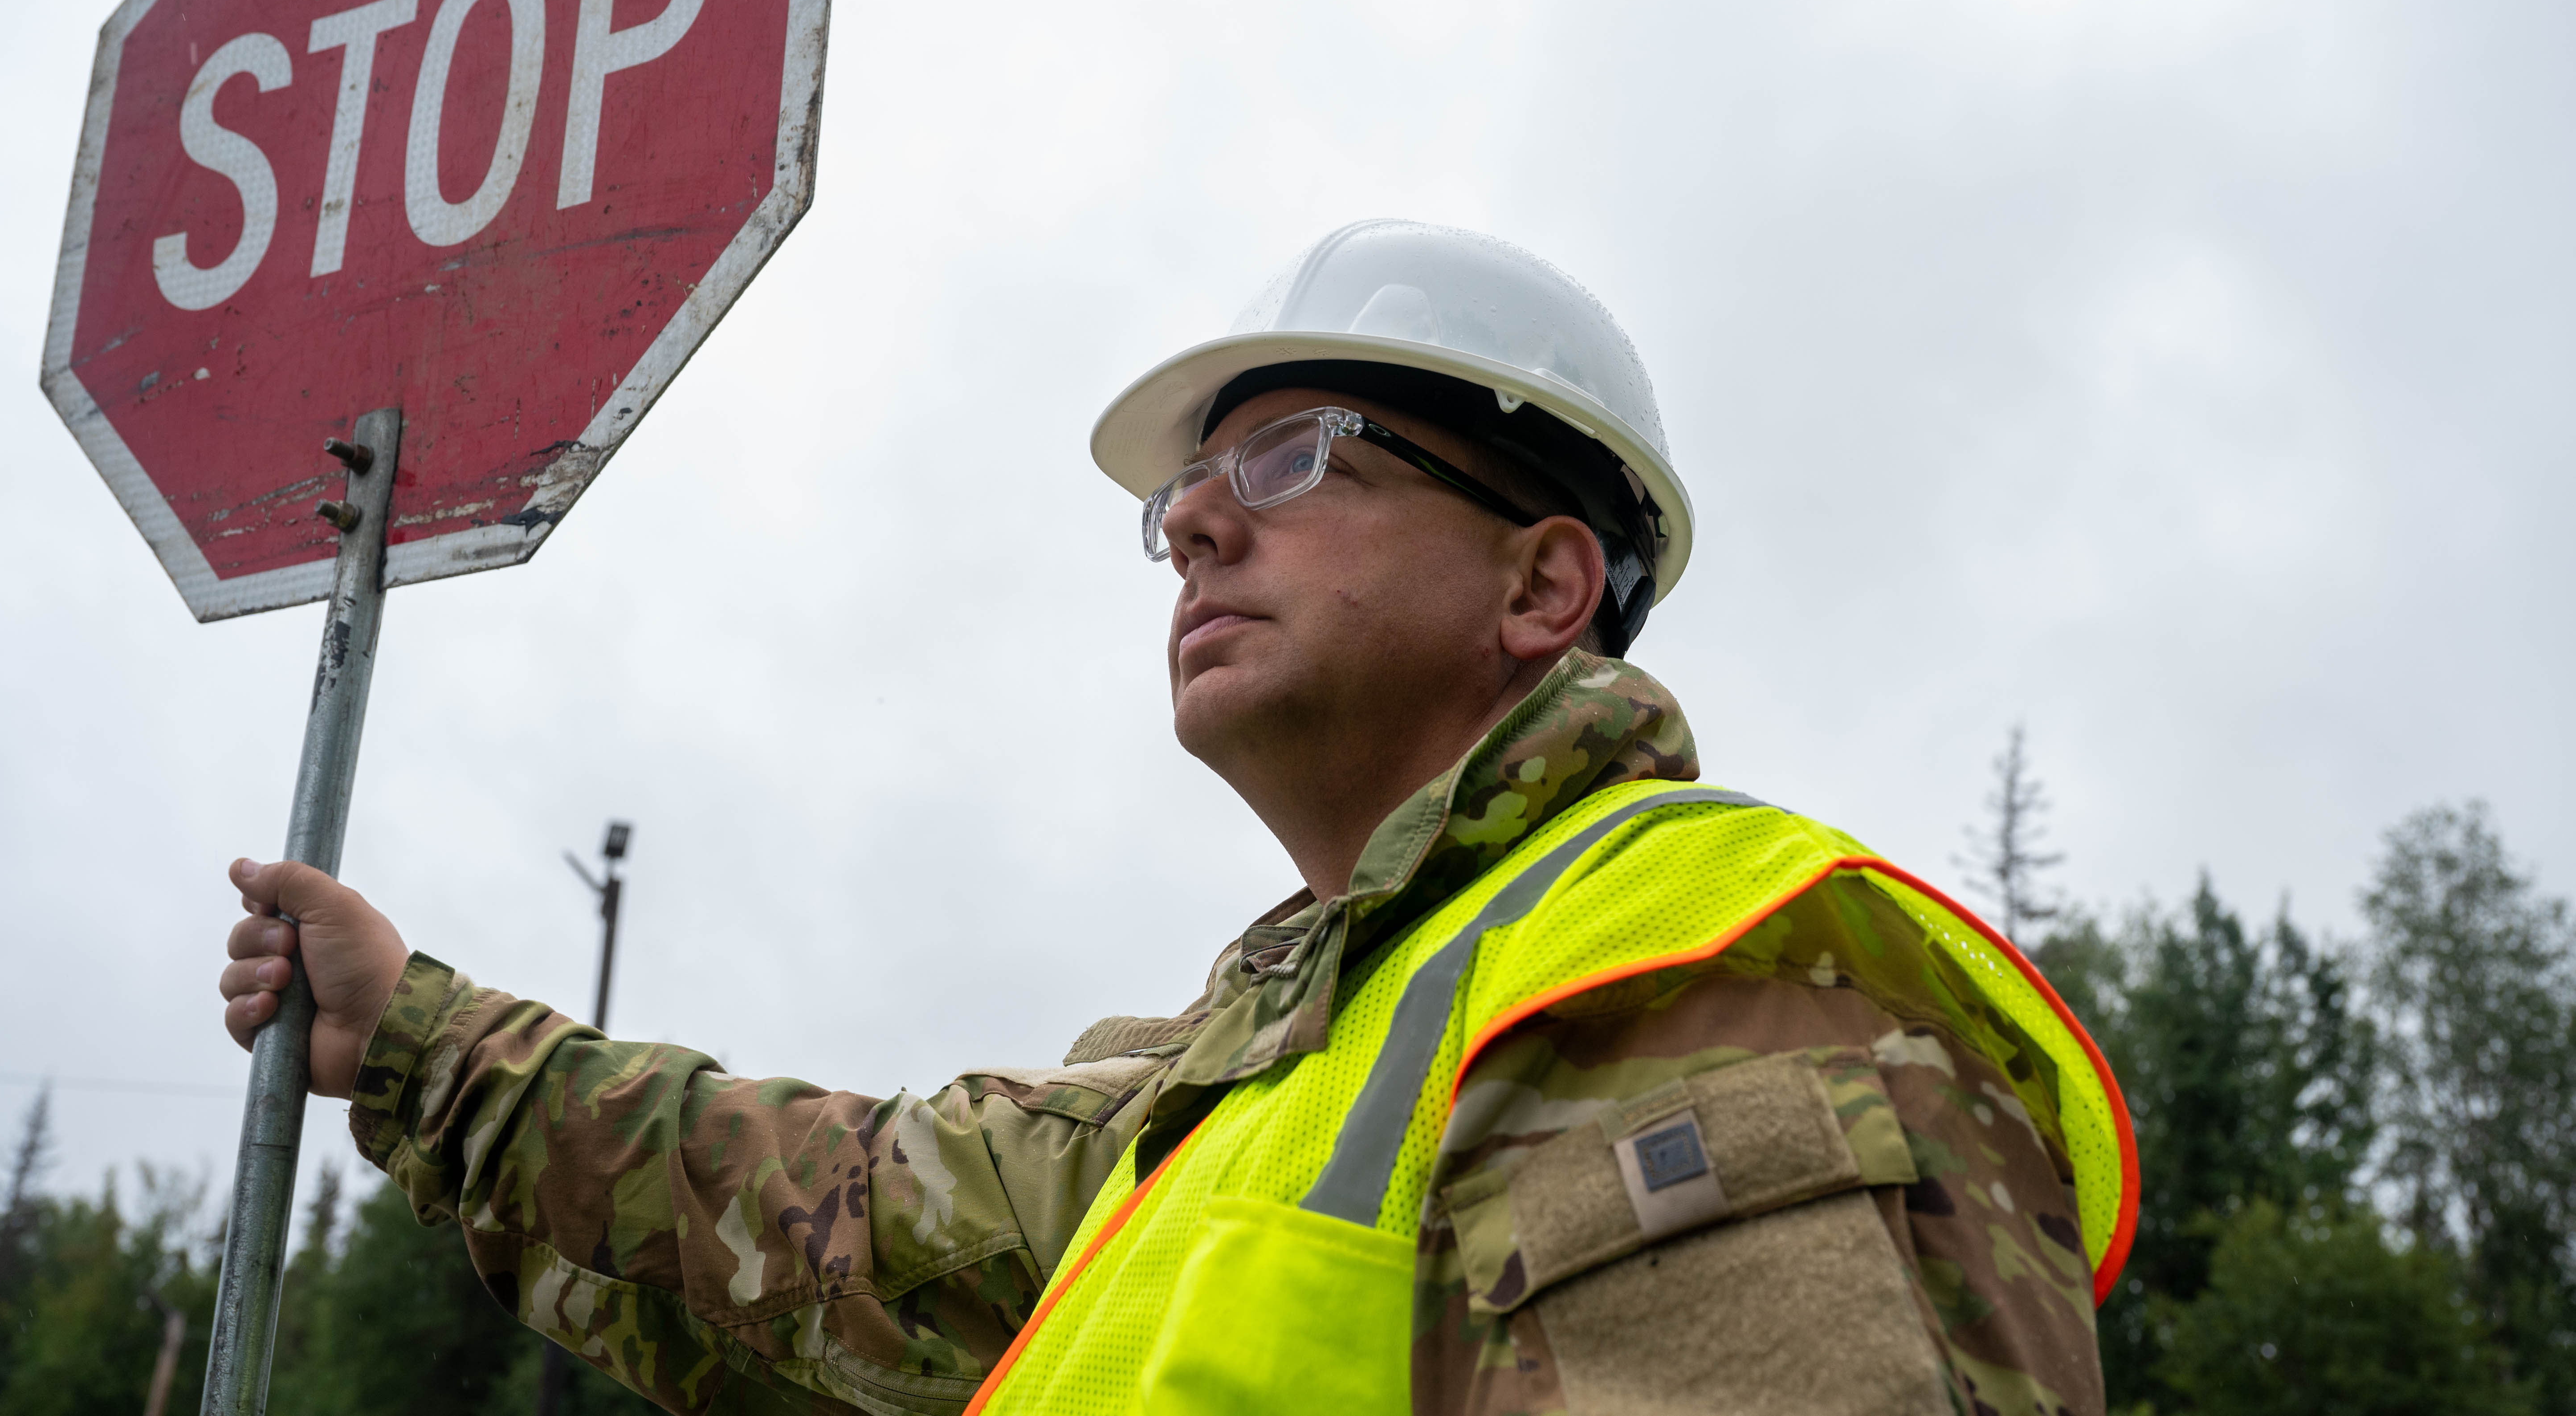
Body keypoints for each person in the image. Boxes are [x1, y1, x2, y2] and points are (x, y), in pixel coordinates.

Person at [220, 220, 2132, 1416]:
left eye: (1292, 459)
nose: (1198, 521)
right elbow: (831, 1221)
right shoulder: (1231, 1085)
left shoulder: (1717, 966)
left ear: (1545, 586)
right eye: (1188, 492)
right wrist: (421, 1041)